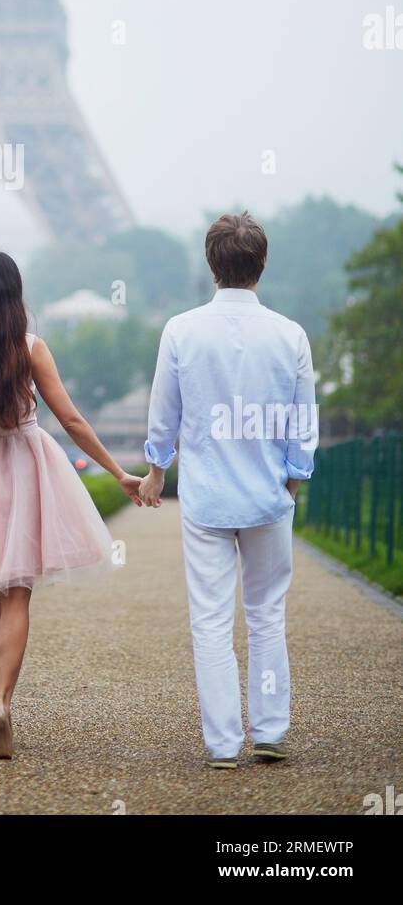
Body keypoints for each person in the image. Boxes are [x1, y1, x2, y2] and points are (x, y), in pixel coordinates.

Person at [0, 249, 143, 760]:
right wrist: (119, 472)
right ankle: (1, 702)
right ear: (13, 297)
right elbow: (73, 421)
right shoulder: (28, 348)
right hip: (22, 462)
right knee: (17, 592)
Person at [139, 212, 318, 768]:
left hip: (208, 497)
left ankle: (222, 744)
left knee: (210, 620)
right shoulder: (291, 334)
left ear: (211, 264)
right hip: (268, 495)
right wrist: (292, 482)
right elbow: (303, 423)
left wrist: (157, 468)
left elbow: (164, 413)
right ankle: (269, 730)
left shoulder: (181, 330)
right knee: (266, 613)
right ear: (261, 264)